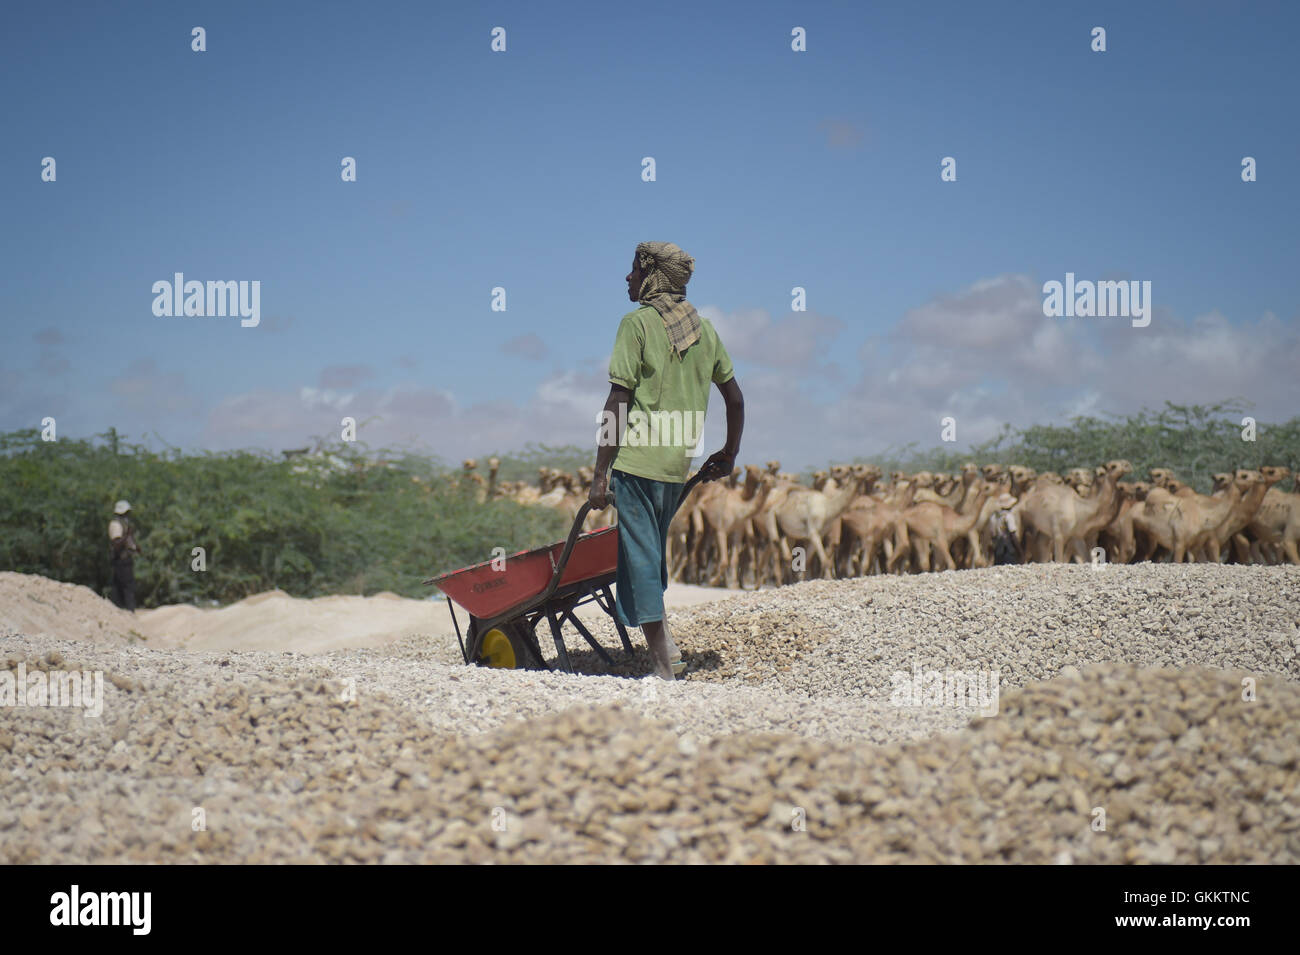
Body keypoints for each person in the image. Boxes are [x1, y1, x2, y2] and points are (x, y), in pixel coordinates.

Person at [588, 242, 744, 680]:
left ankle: (662, 664)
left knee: (639, 559)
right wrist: (729, 454)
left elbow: (617, 400)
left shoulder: (636, 325)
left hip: (637, 461)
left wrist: (600, 472)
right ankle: (669, 648)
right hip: (676, 465)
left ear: (651, 274)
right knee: (652, 555)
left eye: (632, 271)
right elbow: (734, 397)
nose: (627, 279)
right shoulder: (705, 330)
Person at [108, 500, 142, 610]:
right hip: (120, 561)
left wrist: (135, 547)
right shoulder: (116, 525)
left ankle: (119, 610)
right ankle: (129, 611)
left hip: (124, 560)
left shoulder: (124, 524)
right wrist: (127, 536)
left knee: (119, 587)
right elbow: (116, 544)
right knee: (127, 587)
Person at [989, 493, 1022, 565]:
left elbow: (992, 534)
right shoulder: (1008, 516)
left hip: (997, 550)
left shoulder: (994, 517)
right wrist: (1020, 551)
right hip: (1008, 549)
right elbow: (1012, 534)